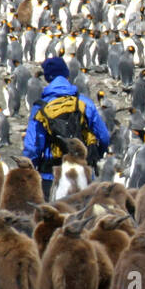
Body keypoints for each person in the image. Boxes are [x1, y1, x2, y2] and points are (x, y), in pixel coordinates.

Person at [23, 55, 111, 200]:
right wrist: (94, 157)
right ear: (67, 75)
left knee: (55, 219)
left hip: (51, 174)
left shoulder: (40, 108)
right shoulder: (84, 103)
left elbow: (33, 147)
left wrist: (31, 170)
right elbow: (104, 137)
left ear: (47, 78)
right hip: (83, 173)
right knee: (83, 219)